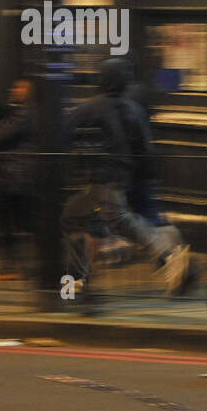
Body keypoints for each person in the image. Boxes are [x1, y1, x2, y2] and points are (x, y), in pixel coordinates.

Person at [60, 57, 195, 298]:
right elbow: (145, 148)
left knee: (120, 220)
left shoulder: (92, 106)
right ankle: (78, 277)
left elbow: (64, 131)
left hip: (102, 176)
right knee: (72, 217)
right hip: (123, 176)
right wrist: (146, 177)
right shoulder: (134, 108)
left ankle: (168, 255)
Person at [0, 77, 37, 278]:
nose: (13, 90)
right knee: (19, 220)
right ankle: (21, 265)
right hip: (18, 175)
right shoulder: (28, 113)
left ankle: (13, 266)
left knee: (9, 220)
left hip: (13, 175)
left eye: (19, 87)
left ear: (28, 92)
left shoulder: (22, 114)